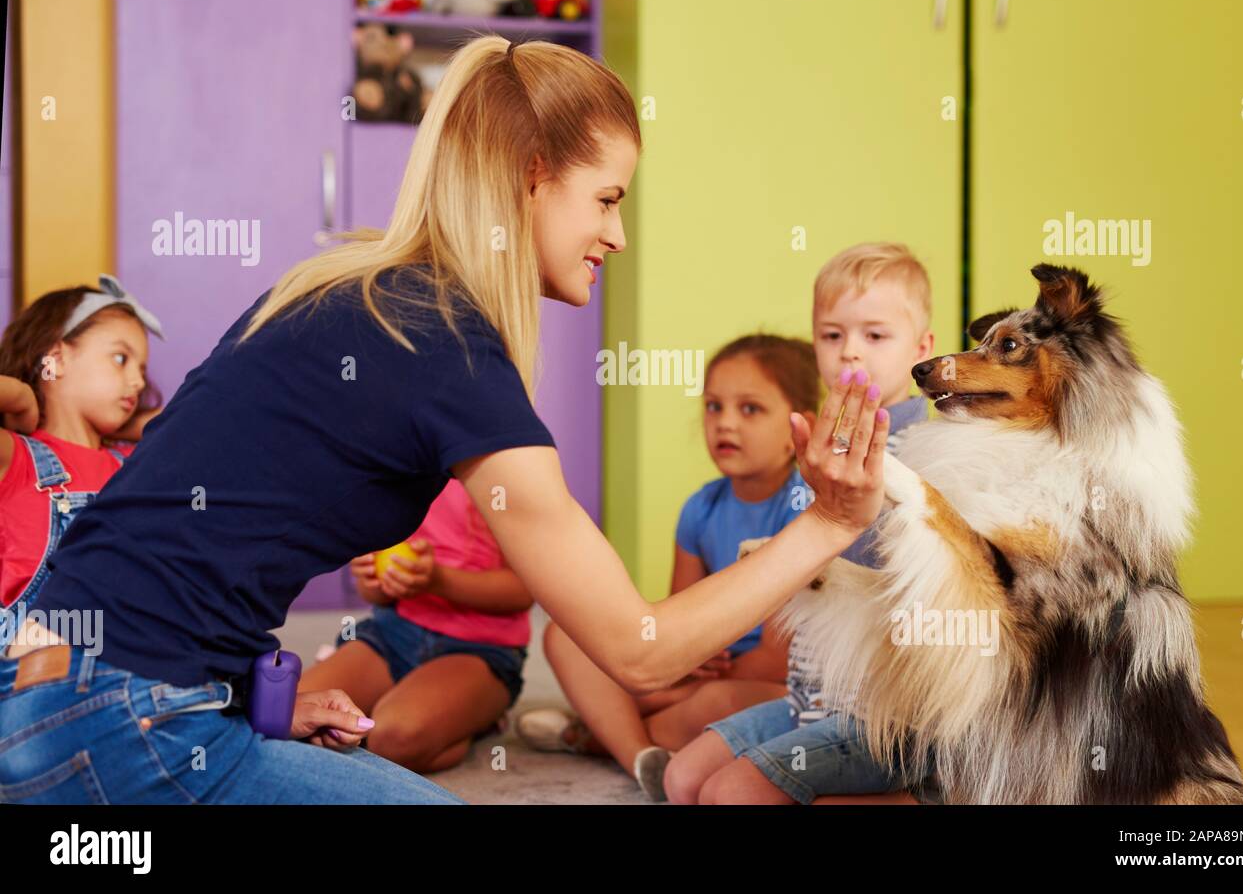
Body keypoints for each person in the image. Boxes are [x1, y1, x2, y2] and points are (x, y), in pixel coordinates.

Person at [0, 36, 891, 805]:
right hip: (125, 719)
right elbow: (639, 649)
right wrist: (829, 521)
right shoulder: (448, 345)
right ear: (530, 178)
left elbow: (176, 519)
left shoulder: (344, 290)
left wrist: (240, 688)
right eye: (609, 199)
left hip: (44, 685)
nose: (618, 235)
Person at [665, 243, 940, 805]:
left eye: (875, 336)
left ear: (922, 348)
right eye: (832, 335)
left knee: (734, 794)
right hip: (810, 693)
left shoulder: (931, 455)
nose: (851, 354)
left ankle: (929, 794)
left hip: (887, 713)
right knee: (683, 779)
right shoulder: (816, 451)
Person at [518, 335, 820, 800]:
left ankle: (599, 735)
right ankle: (642, 754)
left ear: (800, 428)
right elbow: (677, 616)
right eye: (714, 406)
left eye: (751, 409)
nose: (726, 423)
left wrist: (693, 681)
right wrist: (684, 666)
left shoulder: (804, 511)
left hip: (771, 683)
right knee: (566, 636)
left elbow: (781, 658)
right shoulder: (699, 508)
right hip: (703, 673)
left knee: (712, 704)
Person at [302, 478, 532, 774]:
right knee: (296, 717)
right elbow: (375, 595)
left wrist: (438, 581)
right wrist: (373, 577)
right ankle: (418, 707)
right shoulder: (390, 472)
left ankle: (477, 719)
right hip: (393, 632)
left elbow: (522, 592)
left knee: (392, 740)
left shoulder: (498, 477)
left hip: (478, 649)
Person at [0, 275, 164, 615]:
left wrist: (137, 425)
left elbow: (198, 422)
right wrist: (20, 396)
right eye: (120, 359)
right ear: (56, 360)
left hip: (128, 651)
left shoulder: (134, 463)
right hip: (35, 661)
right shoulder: (15, 456)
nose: (136, 381)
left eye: (142, 370)